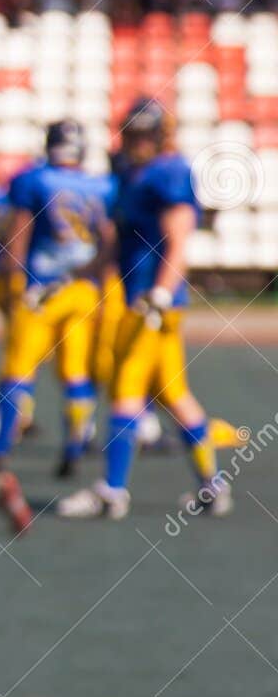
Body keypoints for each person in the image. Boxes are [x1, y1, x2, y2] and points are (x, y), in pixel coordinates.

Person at [58, 99, 228, 519]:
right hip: (140, 297)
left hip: (154, 303)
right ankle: (213, 485)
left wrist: (163, 292)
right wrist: (82, 273)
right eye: (130, 134)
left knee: (126, 389)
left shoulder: (168, 172)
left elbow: (178, 241)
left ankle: (112, 490)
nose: (135, 142)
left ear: (159, 134)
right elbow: (118, 241)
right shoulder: (132, 174)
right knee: (174, 395)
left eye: (142, 135)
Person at [0, 120, 114, 479]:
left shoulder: (35, 180)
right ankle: (74, 446)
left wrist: (13, 278)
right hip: (82, 288)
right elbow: (107, 239)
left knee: (18, 370)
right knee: (75, 373)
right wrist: (96, 279)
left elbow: (20, 231)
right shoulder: (100, 186)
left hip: (41, 288)